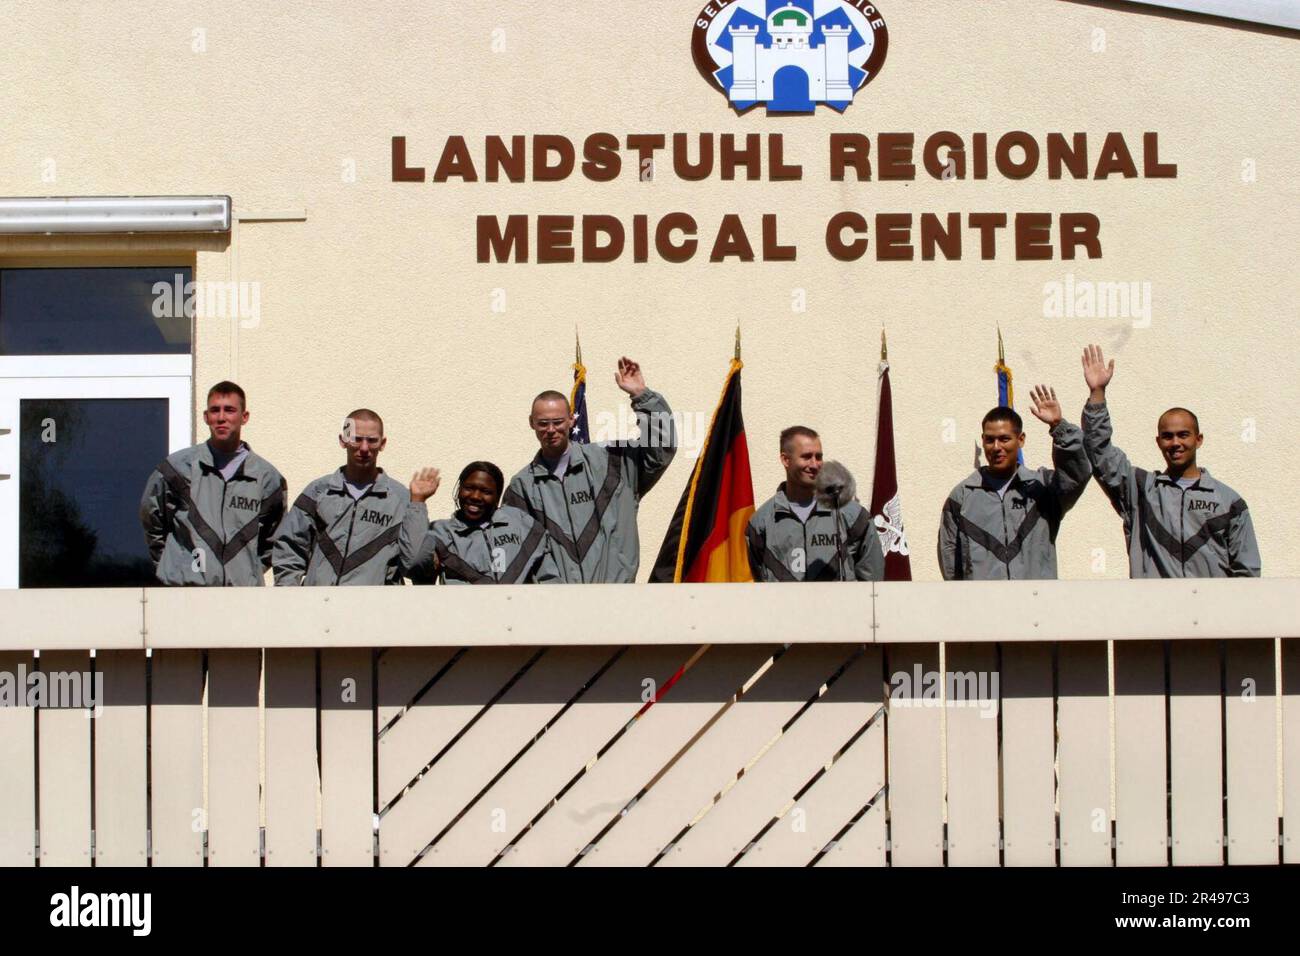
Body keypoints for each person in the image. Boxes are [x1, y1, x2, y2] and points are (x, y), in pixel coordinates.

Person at [1079, 343, 1260, 577]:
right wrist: (1097, 394)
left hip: (1210, 612)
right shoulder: (1141, 490)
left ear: (1199, 439)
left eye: (1183, 435)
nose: (1175, 443)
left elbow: (1247, 574)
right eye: (1167, 436)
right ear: (1158, 442)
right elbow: (1099, 452)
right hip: (1154, 611)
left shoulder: (1229, 502)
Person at [503, 356, 677, 583]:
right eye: (543, 423)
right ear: (531, 423)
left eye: (558, 422)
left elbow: (662, 449)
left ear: (571, 421)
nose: (551, 430)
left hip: (617, 601)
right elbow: (515, 550)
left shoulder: (613, 461)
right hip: (557, 609)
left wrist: (642, 396)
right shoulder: (522, 487)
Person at [140, 381, 286, 586]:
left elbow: (273, 540)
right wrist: (174, 565)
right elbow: (153, 522)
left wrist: (244, 571)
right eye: (215, 410)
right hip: (185, 593)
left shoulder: (266, 478)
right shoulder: (177, 469)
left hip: (242, 597)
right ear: (206, 417)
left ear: (244, 417)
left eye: (230, 410)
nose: (221, 418)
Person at [938, 386, 1091, 580]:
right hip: (983, 607)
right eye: (989, 440)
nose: (996, 447)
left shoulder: (1043, 488)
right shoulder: (962, 497)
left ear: (1021, 440)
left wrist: (1058, 427)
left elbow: (1077, 475)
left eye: (1004, 439)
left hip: (1037, 604)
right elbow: (950, 564)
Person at [271, 409, 432, 585]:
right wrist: (290, 594)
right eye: (356, 439)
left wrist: (418, 504)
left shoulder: (401, 498)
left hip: (375, 608)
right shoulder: (318, 491)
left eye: (372, 440)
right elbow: (289, 548)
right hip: (320, 605)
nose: (364, 448)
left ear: (383, 443)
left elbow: (414, 564)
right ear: (343, 440)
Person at [747, 426, 884, 582]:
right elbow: (759, 580)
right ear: (785, 460)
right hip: (786, 607)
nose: (814, 465)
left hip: (841, 607)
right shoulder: (761, 522)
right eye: (806, 457)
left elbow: (872, 582)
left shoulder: (852, 516)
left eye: (818, 457)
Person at [407, 461, 560, 584]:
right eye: (469, 488)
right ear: (459, 490)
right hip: (464, 618)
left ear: (497, 497)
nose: (475, 496)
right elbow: (414, 564)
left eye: (486, 492)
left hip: (516, 617)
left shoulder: (520, 523)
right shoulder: (441, 532)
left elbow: (549, 579)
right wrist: (418, 501)